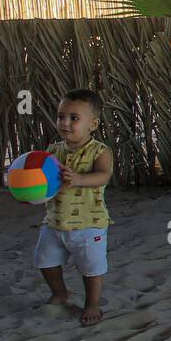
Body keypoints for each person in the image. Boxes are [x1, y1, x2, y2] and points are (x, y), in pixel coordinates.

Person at [35, 89, 114, 326]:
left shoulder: (99, 151)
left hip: (89, 223)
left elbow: (103, 176)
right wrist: (29, 194)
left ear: (93, 124)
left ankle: (92, 303)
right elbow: (41, 182)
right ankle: (61, 292)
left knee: (91, 267)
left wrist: (79, 179)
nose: (65, 123)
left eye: (74, 118)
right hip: (55, 221)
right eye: (61, 116)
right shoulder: (53, 151)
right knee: (44, 261)